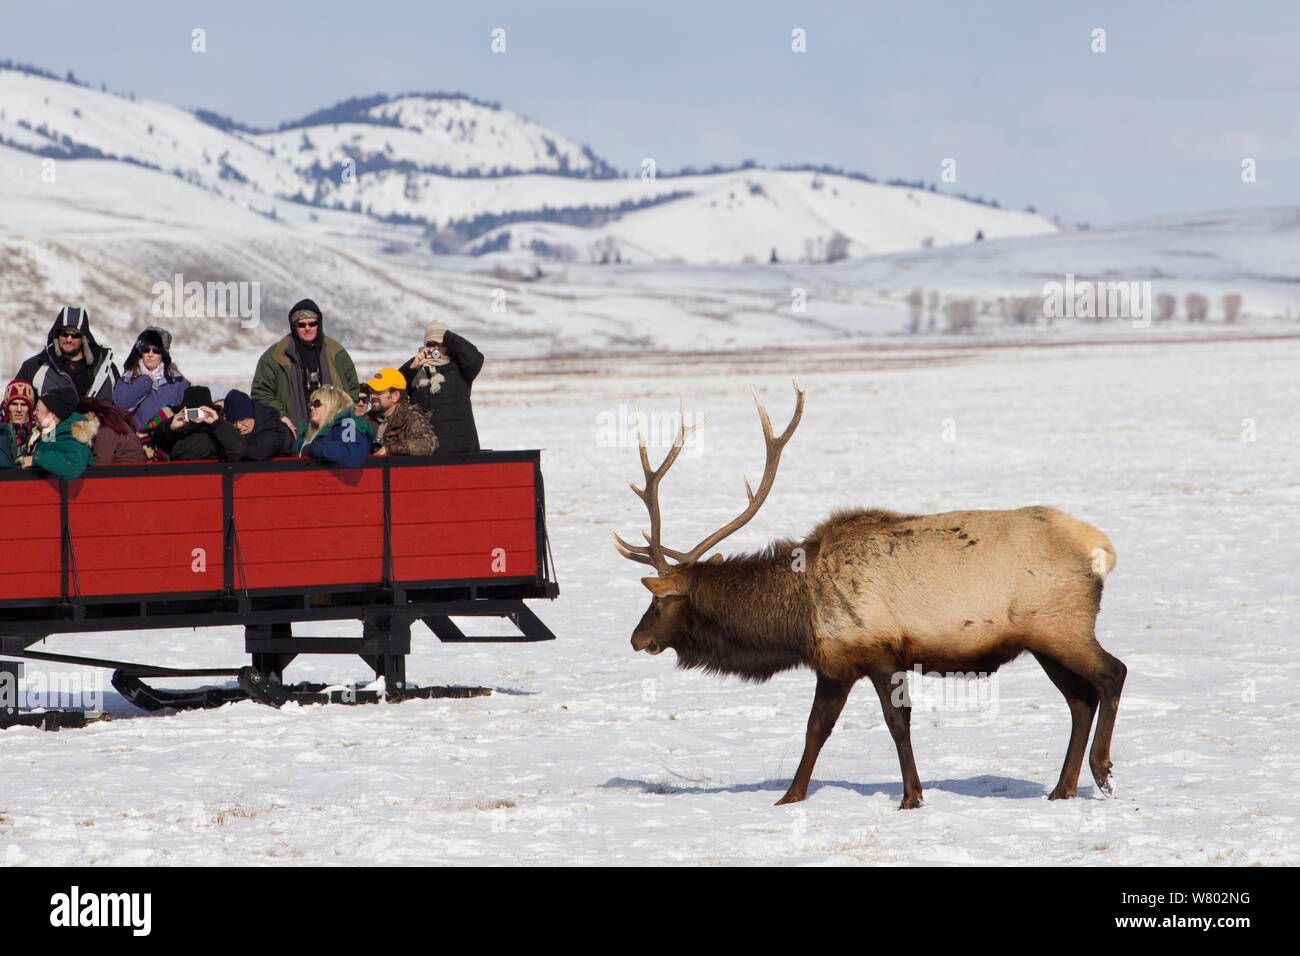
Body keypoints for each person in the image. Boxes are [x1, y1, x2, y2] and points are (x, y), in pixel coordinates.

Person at [251, 299, 359, 435]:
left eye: (312, 324)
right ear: (293, 326)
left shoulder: (337, 352)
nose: (307, 328)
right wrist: (281, 417)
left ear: (319, 324)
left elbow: (353, 389)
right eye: (301, 325)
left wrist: (344, 415)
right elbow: (260, 394)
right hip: (293, 432)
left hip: (335, 431)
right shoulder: (275, 356)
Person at [398, 321, 482, 453]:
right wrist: (411, 368)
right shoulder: (417, 370)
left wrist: (448, 337)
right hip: (425, 447)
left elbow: (475, 358)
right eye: (430, 344)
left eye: (439, 344)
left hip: (459, 448)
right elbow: (395, 390)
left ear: (448, 346)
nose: (434, 349)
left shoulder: (459, 368)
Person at [16, 306, 120, 402]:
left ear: (84, 339)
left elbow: (121, 409)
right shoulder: (35, 367)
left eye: (75, 335)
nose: (69, 339)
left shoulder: (105, 370)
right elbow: (13, 405)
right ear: (57, 336)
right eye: (64, 334)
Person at [18, 376, 97, 480]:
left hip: (64, 494)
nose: (34, 413)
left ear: (52, 416)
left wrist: (35, 459)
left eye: (38, 409)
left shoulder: (72, 436)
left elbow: (72, 466)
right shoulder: (49, 432)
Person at [112, 326, 189, 429]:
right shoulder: (128, 378)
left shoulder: (176, 381)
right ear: (140, 351)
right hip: (138, 440)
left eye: (156, 350)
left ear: (163, 353)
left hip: (168, 439)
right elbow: (121, 405)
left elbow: (187, 411)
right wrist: (145, 380)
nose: (150, 354)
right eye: (146, 349)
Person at [153, 386, 245, 461]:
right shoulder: (181, 427)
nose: (196, 415)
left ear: (209, 410)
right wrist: (170, 428)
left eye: (200, 411)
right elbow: (159, 441)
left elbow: (238, 450)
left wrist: (217, 423)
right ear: (185, 412)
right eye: (192, 411)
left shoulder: (219, 427)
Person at [364, 369, 437, 457]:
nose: (372, 395)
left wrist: (388, 449)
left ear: (395, 396)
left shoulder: (410, 418)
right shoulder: (367, 419)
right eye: (372, 390)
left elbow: (428, 444)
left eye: (378, 391)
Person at [297, 385, 374, 468]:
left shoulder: (345, 426)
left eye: (316, 403)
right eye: (311, 404)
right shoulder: (307, 429)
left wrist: (316, 448)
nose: (311, 407)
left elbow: (353, 455)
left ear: (331, 406)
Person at [222, 389, 293, 461]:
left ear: (252, 415)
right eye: (233, 422)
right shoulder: (232, 430)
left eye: (242, 420)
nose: (238, 426)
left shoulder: (274, 427)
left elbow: (256, 453)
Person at [77, 397, 147, 465]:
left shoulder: (104, 429)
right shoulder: (117, 423)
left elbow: (101, 463)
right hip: (136, 471)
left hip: (125, 473)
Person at [2, 379, 37, 461]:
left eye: (24, 404)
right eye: (14, 404)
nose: (19, 409)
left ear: (30, 409)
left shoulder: (43, 430)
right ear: (7, 407)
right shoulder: (1, 430)